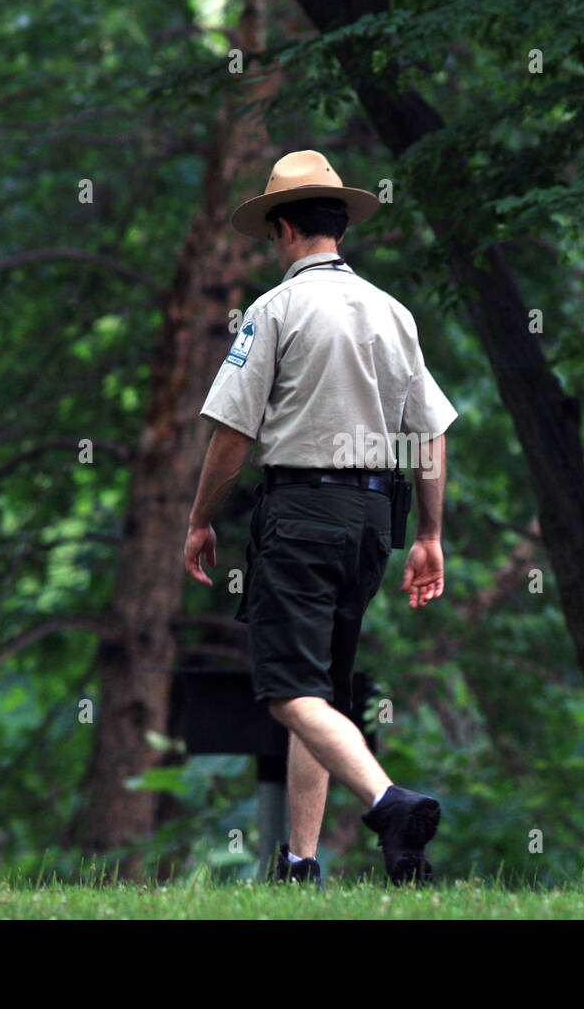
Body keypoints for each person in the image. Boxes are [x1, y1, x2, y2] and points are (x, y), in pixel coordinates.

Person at [184, 150, 457, 885]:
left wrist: (200, 519)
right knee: (321, 694)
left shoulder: (274, 311)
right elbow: (429, 433)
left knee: (286, 691)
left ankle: (388, 802)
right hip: (374, 515)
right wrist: (429, 535)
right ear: (339, 225)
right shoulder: (393, 313)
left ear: (282, 228)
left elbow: (233, 434)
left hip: (301, 512)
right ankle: (300, 863)